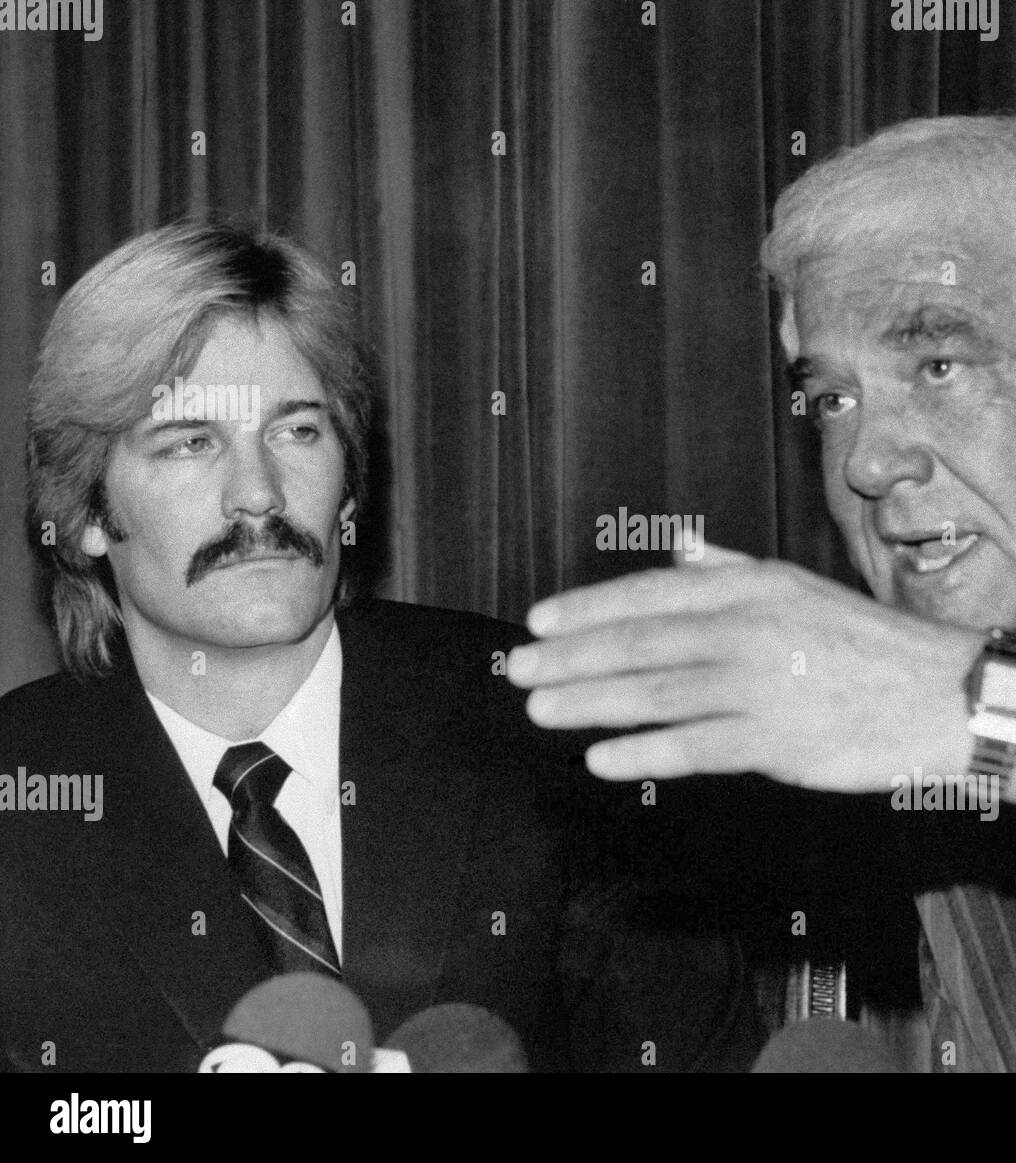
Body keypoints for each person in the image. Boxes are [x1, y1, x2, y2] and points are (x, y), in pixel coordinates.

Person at [508, 115, 1016, 1072]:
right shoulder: (923, 715)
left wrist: (995, 708)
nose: (869, 462)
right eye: (835, 398)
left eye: (939, 365)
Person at [0, 220, 755, 1073]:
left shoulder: (550, 730)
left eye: (297, 431)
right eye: (191, 442)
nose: (257, 494)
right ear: (90, 513)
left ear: (349, 479)